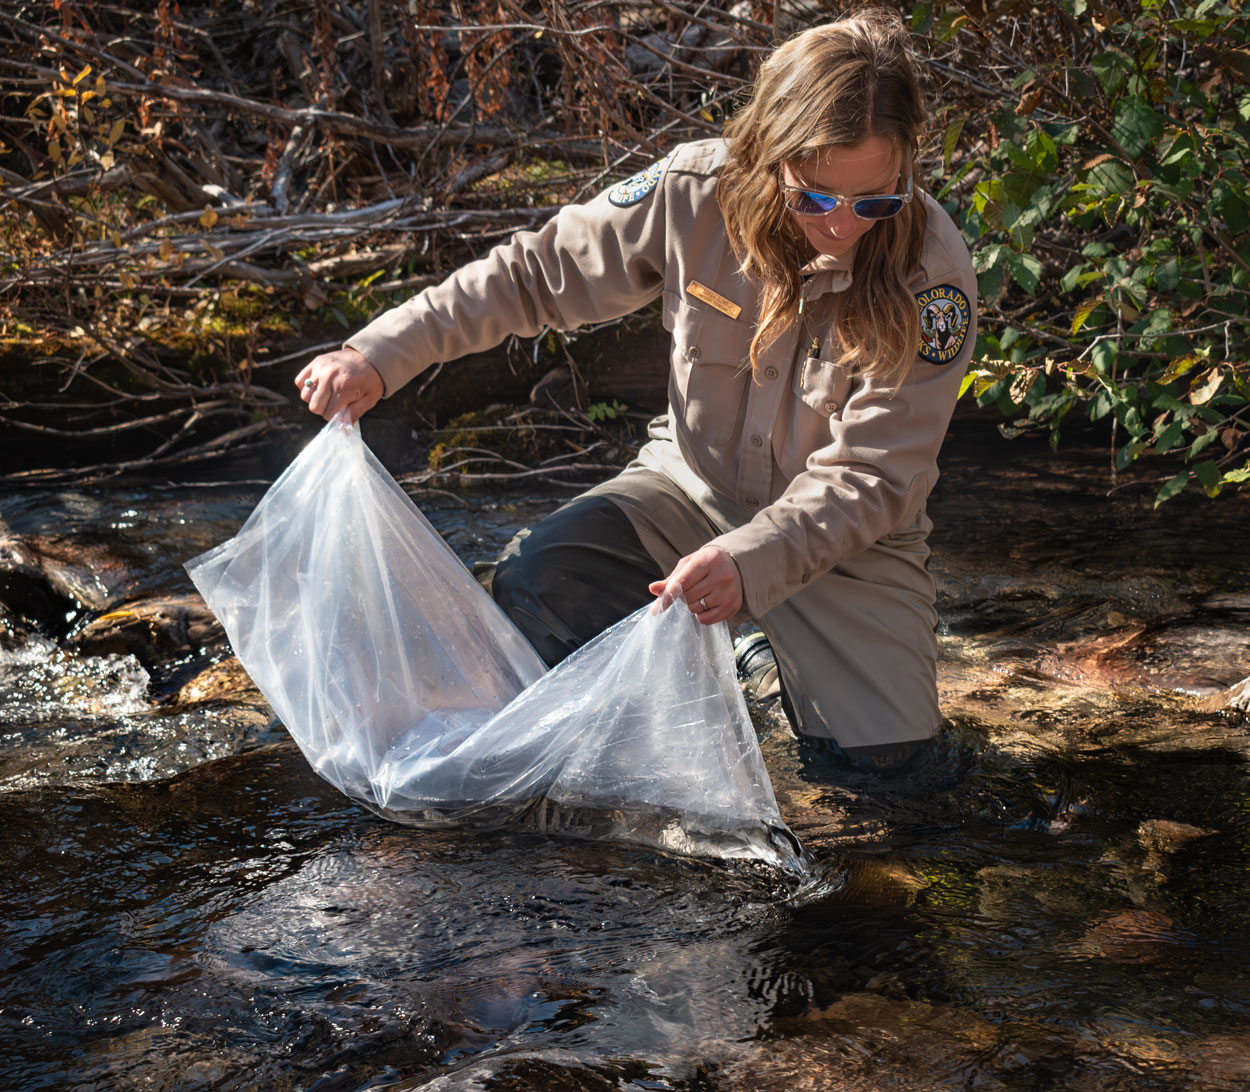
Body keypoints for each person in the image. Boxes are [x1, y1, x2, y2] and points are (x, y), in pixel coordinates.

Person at [295, 9, 977, 770]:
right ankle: (719, 668)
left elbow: (874, 477)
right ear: (766, 152)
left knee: (894, 785)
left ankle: (753, 661)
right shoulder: (692, 191)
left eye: (875, 200)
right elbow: (534, 275)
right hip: (685, 493)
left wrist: (748, 565)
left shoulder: (932, 273)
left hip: (845, 550)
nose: (843, 226)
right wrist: (380, 353)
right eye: (814, 198)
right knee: (537, 584)